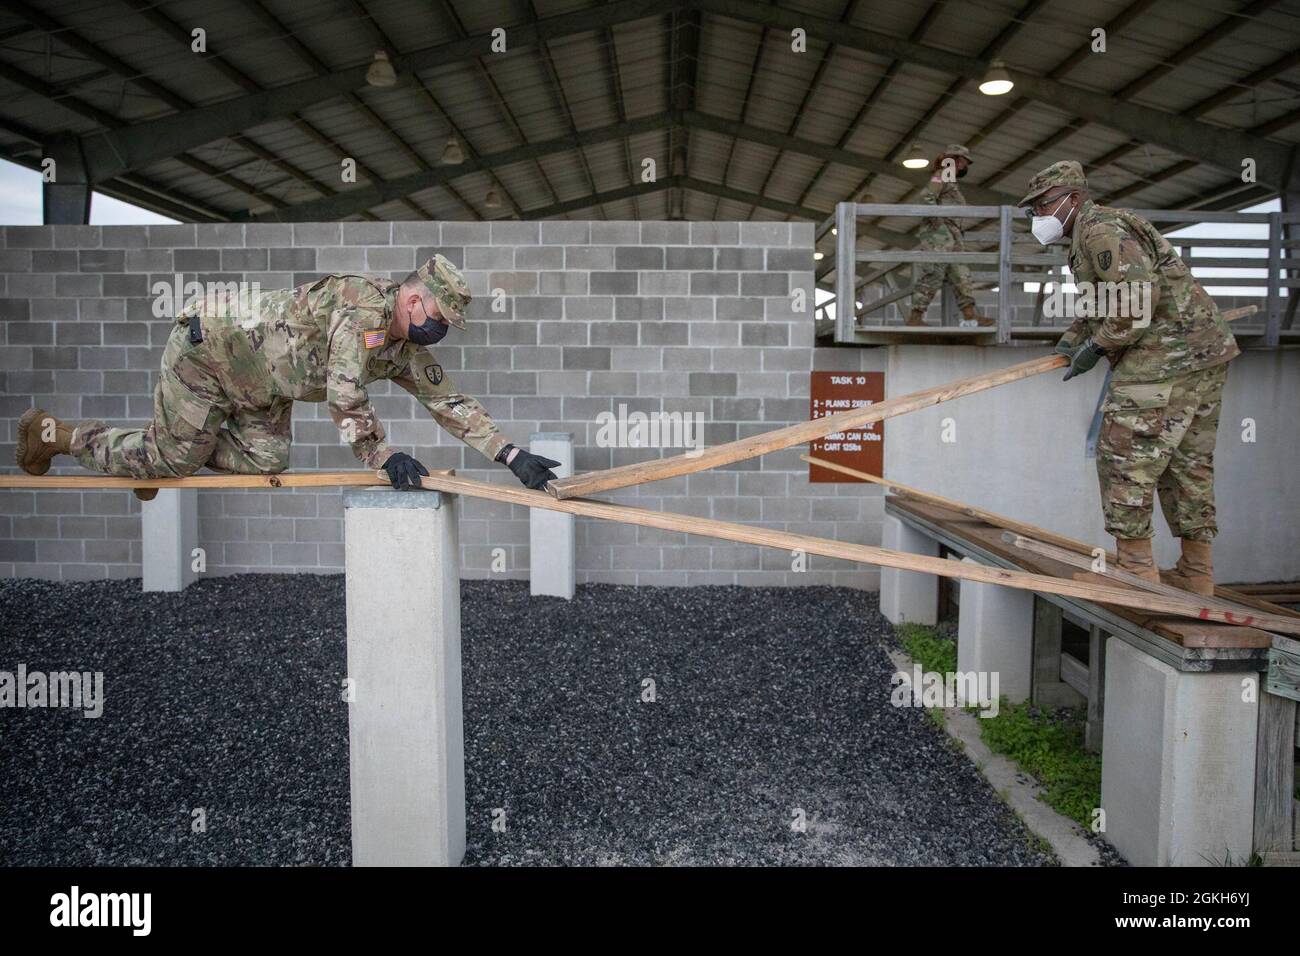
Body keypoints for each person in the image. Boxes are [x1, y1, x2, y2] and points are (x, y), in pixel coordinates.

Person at [16, 255, 560, 494]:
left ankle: (156, 456)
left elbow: (450, 401)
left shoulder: (402, 345)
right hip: (211, 351)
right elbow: (345, 396)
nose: (441, 331)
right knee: (173, 457)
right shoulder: (363, 308)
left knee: (268, 461)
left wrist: (512, 456)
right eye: (441, 319)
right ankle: (57, 435)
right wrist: (383, 455)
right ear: (414, 299)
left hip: (264, 384)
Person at [1019, 160, 1239, 595]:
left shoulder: (1102, 231)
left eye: (1043, 206)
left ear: (1073, 199)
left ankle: (1136, 572)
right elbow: (1102, 302)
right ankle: (1197, 574)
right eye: (1033, 211)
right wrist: (1072, 340)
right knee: (1186, 463)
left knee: (1124, 456)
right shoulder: (1090, 234)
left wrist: (1098, 347)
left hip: (1162, 357)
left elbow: (1136, 304)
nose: (1038, 218)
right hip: (1202, 354)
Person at [907, 144, 991, 328]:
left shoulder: (950, 179)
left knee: (961, 274)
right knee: (933, 272)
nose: (964, 166)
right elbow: (926, 197)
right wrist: (940, 225)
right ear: (953, 159)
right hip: (940, 235)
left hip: (952, 236)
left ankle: (970, 315)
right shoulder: (943, 174)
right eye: (962, 161)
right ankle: (916, 317)